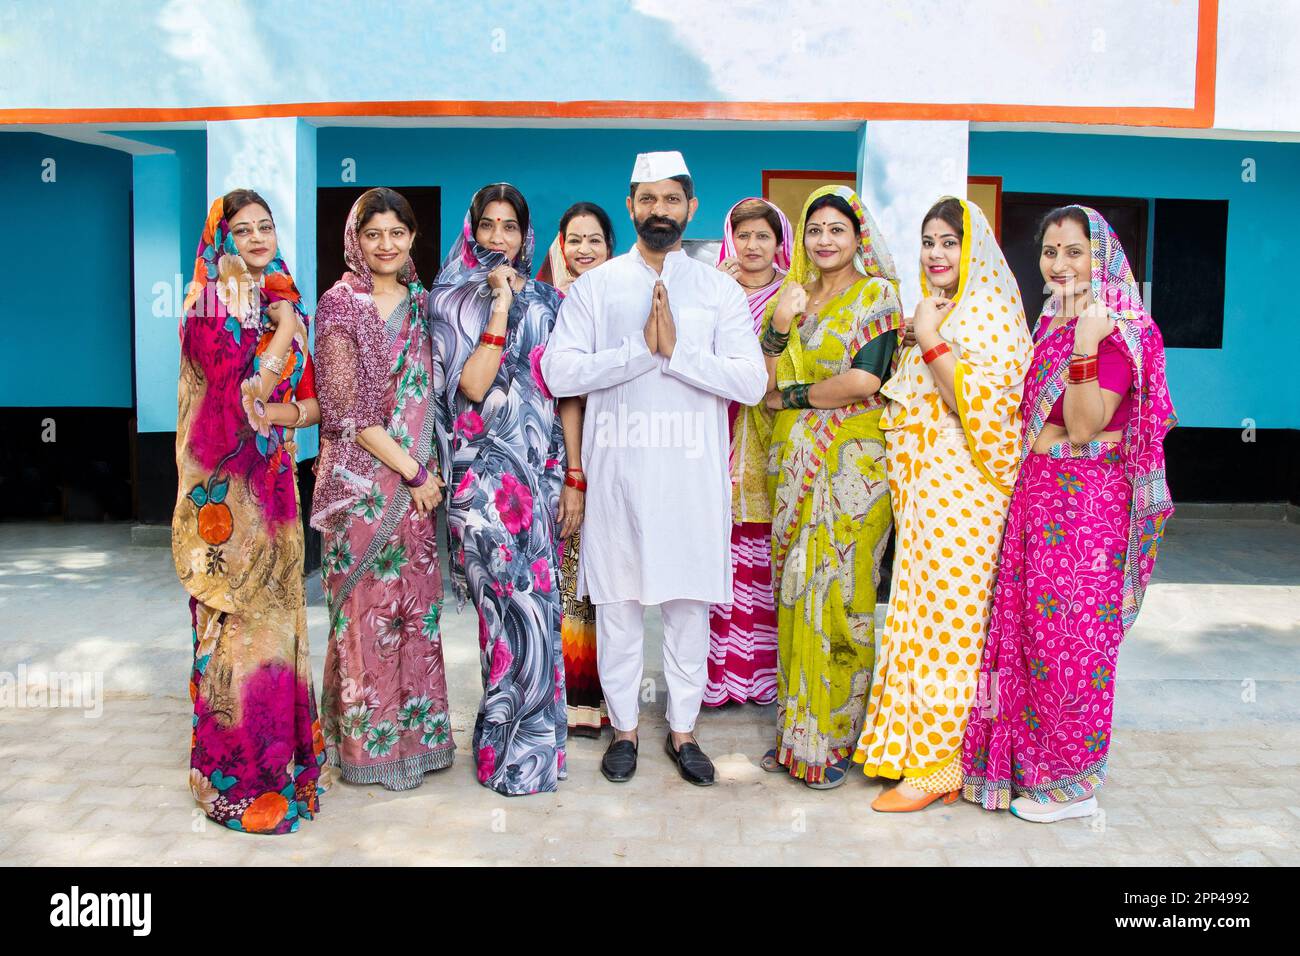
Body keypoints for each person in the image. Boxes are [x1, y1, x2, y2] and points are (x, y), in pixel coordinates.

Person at [541, 151, 766, 786]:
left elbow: (750, 381)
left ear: (690, 208)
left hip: (692, 479)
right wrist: (638, 352)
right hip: (619, 476)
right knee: (618, 608)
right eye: (648, 199)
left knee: (689, 608)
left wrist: (680, 350)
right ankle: (623, 731)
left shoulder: (718, 290)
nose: (659, 211)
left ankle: (685, 732)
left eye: (672, 200)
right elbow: (559, 371)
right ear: (631, 204)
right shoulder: (596, 287)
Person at [960, 205, 1175, 822]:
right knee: (1028, 639)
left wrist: (1085, 347)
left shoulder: (1119, 329)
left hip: (1087, 514)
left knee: (1073, 645)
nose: (1059, 265)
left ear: (1101, 256)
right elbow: (1044, 430)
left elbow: (1082, 426)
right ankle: (1027, 766)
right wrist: (1049, 438)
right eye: (1050, 252)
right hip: (1038, 503)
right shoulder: (1047, 324)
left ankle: (1072, 786)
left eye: (1074, 251)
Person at [852, 197, 1033, 810]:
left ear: (974, 249)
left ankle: (941, 767)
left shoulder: (990, 316)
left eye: (949, 242)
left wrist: (929, 339)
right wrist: (926, 329)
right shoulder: (941, 309)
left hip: (967, 502)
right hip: (925, 499)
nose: (935, 254)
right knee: (915, 620)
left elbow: (978, 408)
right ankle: (907, 748)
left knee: (952, 629)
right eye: (928, 241)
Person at [174, 189, 326, 834]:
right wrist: (289, 323)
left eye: (266, 226)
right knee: (232, 631)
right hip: (226, 505)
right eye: (243, 230)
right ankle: (232, 776)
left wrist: (289, 415)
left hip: (278, 492)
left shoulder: (277, 296)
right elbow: (249, 387)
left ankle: (280, 768)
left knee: (278, 630)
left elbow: (310, 402)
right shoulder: (210, 306)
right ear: (221, 238)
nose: (258, 238)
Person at [428, 182, 574, 796]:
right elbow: (471, 385)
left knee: (540, 610)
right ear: (471, 230)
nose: (496, 238)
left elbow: (567, 393)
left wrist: (574, 476)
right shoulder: (448, 300)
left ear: (525, 236)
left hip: (538, 479)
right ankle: (499, 748)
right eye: (487, 225)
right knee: (500, 614)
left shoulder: (550, 301)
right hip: (482, 485)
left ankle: (538, 748)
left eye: (509, 227)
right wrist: (495, 307)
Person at [755, 185, 903, 788]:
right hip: (793, 463)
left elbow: (866, 379)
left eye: (836, 229)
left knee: (842, 596)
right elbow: (759, 379)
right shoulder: (791, 297)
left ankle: (838, 737)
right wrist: (779, 326)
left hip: (855, 468)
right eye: (814, 229)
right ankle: (799, 734)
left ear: (858, 236)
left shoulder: (878, 296)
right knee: (795, 595)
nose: (823, 240)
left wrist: (792, 397)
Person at [312, 187, 453, 790]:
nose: (385, 245)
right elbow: (348, 412)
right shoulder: (341, 304)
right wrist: (417, 474)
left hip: (417, 494)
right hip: (363, 488)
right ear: (356, 240)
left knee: (414, 612)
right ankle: (368, 750)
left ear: (413, 238)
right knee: (366, 614)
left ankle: (420, 742)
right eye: (373, 234)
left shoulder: (427, 305)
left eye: (397, 233)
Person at [706, 197, 792, 708]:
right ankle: (718, 678)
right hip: (718, 433)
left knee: (762, 559)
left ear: (779, 242)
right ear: (730, 240)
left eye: (764, 236)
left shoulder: (793, 295)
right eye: (744, 236)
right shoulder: (714, 290)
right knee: (720, 556)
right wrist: (713, 292)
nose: (753, 246)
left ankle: (762, 679)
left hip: (770, 435)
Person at [537, 202, 618, 737]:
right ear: (559, 245)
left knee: (601, 579)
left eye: (595, 239)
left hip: (609, 452)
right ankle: (557, 696)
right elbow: (564, 393)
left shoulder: (620, 305)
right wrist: (572, 470)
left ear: (611, 248)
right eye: (575, 239)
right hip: (550, 457)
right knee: (558, 576)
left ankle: (599, 698)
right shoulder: (545, 303)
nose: (584, 249)